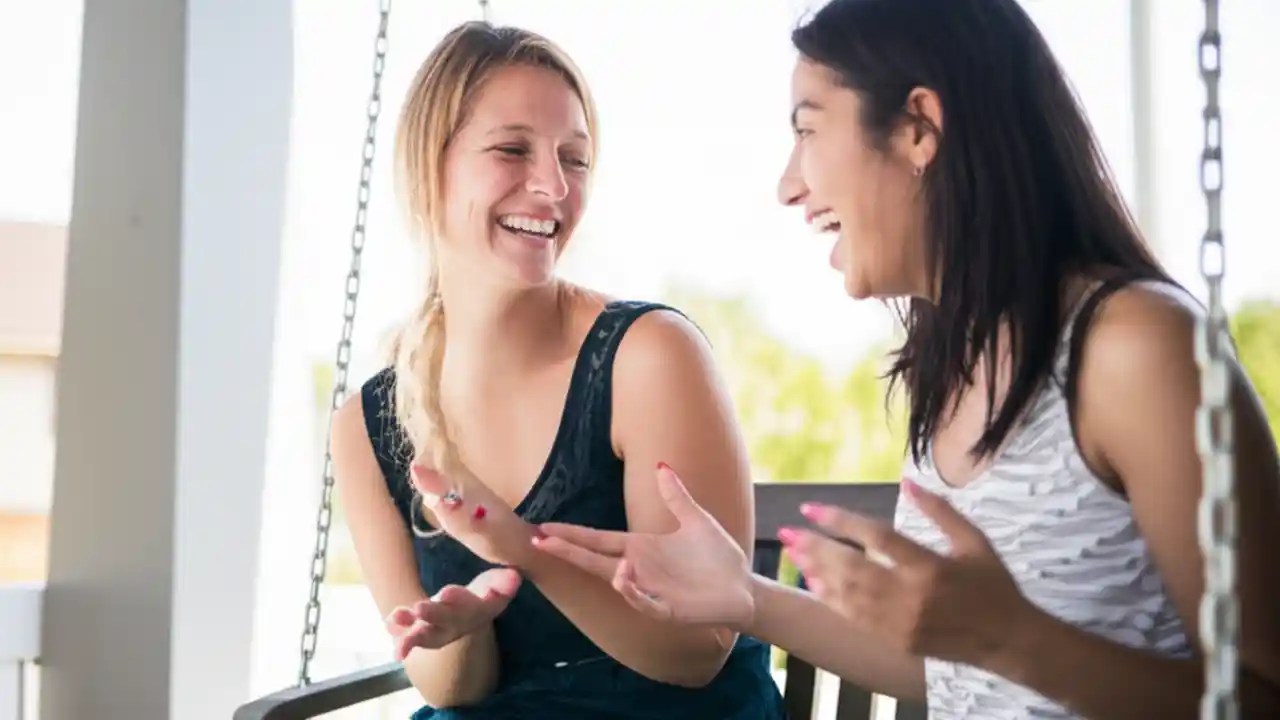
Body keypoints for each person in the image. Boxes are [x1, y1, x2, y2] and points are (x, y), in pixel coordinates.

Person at [521, 0, 1280, 718]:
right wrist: (747, 596)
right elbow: (949, 666)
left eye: (809, 130)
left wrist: (1008, 634)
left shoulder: (1135, 346)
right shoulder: (951, 363)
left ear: (919, 128)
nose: (789, 184)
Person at [329, 20, 786, 720]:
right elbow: (450, 689)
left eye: (575, 159)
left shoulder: (648, 356)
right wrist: (466, 628)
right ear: (429, 166)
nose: (551, 186)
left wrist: (524, 551)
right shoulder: (367, 428)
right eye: (513, 150)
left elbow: (699, 655)